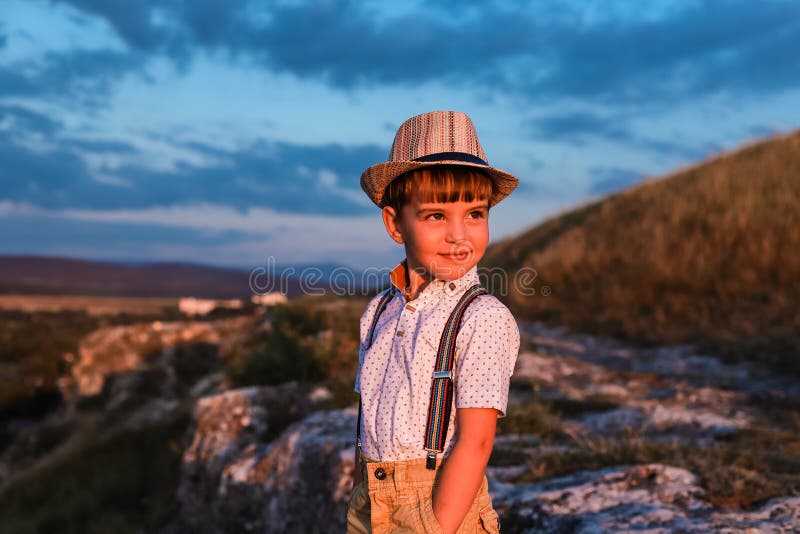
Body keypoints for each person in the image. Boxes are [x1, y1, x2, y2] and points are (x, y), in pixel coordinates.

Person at [346, 110, 521, 533]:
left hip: (441, 510)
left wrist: (433, 527)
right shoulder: (379, 312)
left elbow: (476, 442)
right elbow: (367, 420)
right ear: (395, 223)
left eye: (475, 214)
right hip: (370, 502)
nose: (459, 235)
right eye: (436, 216)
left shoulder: (482, 317)